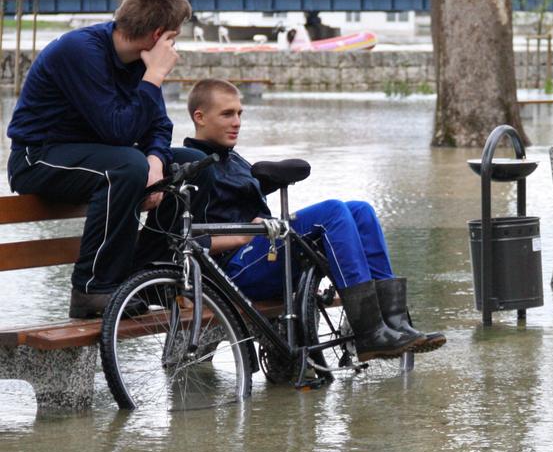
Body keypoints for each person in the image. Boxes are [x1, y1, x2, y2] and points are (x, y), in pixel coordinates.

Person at [155, 79, 446, 361]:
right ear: (200, 117)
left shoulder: (234, 160)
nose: (237, 122)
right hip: (231, 271)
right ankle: (369, 331)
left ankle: (395, 322)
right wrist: (244, 236)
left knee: (360, 209)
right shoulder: (190, 165)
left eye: (240, 113)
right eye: (227, 114)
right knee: (332, 212)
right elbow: (179, 240)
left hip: (260, 255)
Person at [6, 0, 190, 318]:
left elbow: (159, 126)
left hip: (100, 157)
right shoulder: (81, 51)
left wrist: (156, 161)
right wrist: (154, 77)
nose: (173, 46)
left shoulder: (139, 63)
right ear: (158, 35)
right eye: (173, 37)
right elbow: (118, 131)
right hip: (38, 158)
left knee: (194, 163)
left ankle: (147, 275)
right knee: (127, 165)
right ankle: (91, 289)